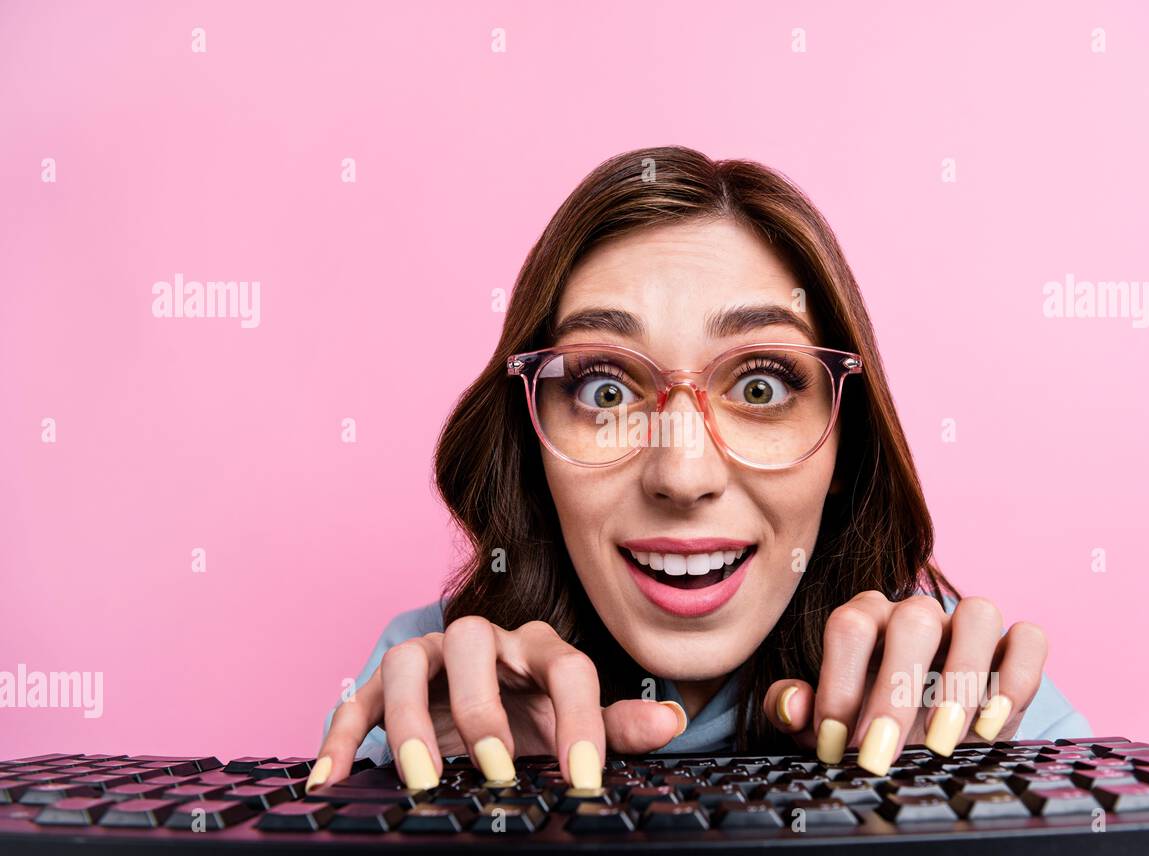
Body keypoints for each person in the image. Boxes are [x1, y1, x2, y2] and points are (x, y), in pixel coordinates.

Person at [311, 146, 1090, 795]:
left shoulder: (958, 689)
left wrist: (952, 801)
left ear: (843, 449)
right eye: (604, 388)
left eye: (760, 385)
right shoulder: (430, 684)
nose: (682, 476)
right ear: (533, 442)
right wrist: (440, 814)